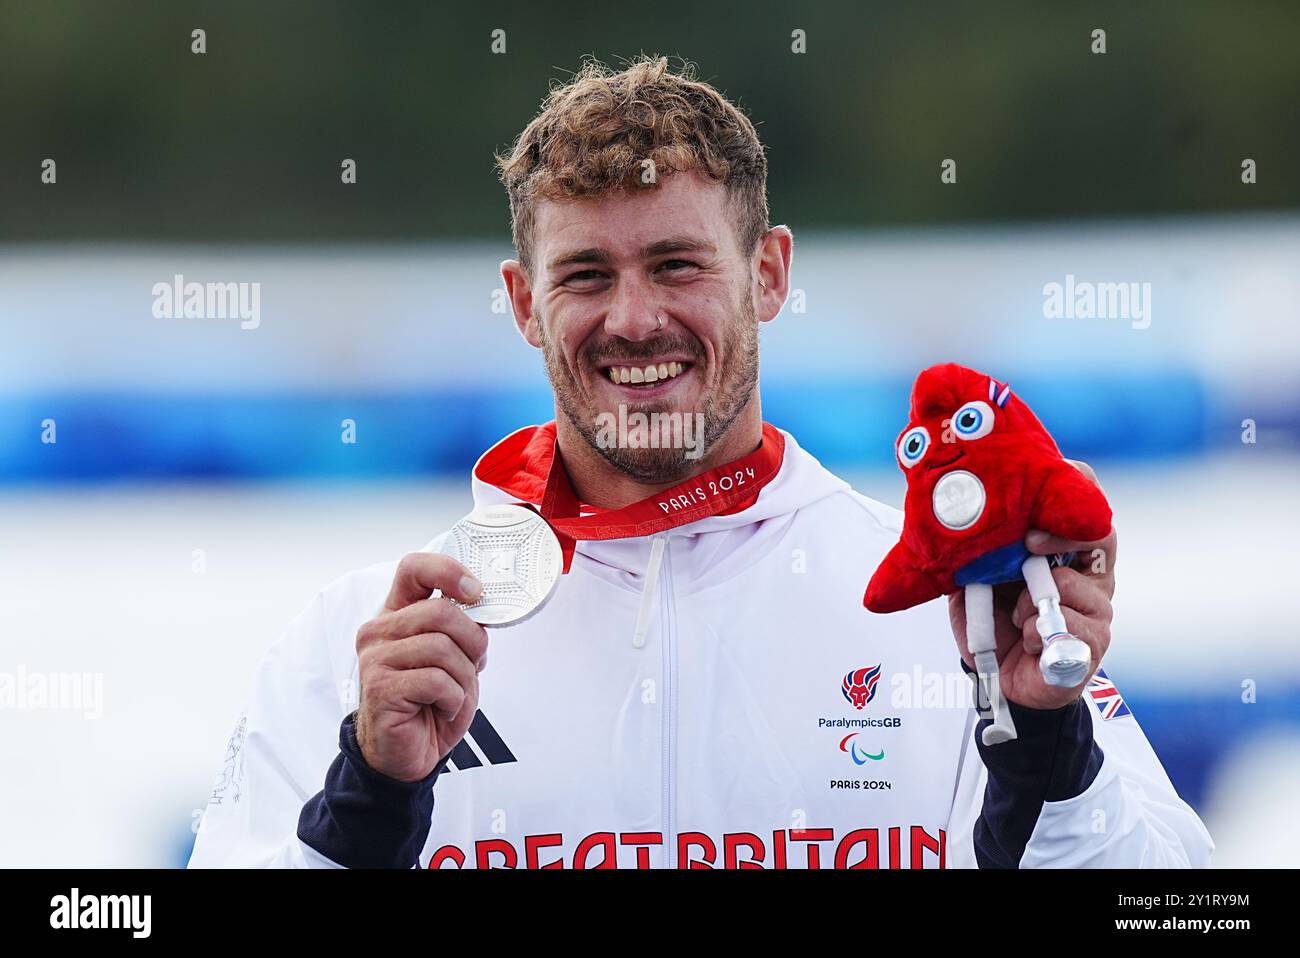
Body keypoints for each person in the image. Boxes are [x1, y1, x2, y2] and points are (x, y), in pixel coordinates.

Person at [188, 56, 1212, 869]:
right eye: (586, 274)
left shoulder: (954, 619)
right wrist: (368, 801)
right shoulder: (375, 642)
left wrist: (1045, 740)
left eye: (676, 264)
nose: (634, 320)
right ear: (521, 304)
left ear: (768, 274)